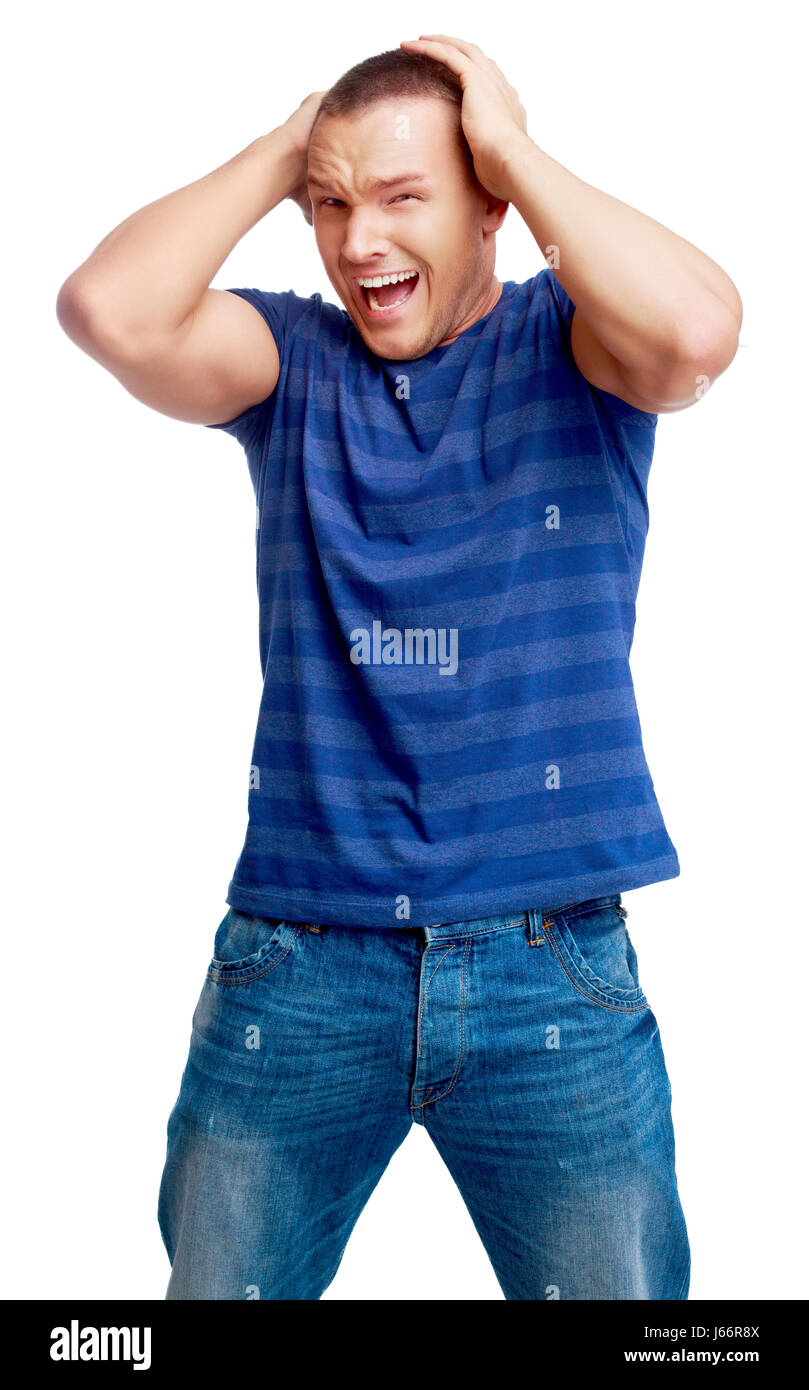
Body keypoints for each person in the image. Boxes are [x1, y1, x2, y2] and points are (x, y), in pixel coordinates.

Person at [56, 36, 742, 1300]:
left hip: (552, 964)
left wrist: (517, 149)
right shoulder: (292, 363)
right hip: (299, 962)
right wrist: (291, 144)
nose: (356, 238)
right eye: (330, 204)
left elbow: (699, 330)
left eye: (401, 197)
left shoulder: (578, 347)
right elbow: (109, 310)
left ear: (491, 204)